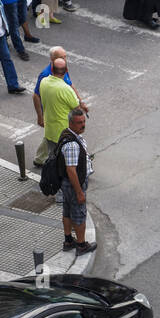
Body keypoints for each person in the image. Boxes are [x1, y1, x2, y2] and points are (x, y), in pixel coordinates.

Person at [58, 108, 96, 253]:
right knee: (79, 214)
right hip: (74, 185)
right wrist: (79, 192)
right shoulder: (73, 144)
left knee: (67, 211)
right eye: (79, 122)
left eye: (84, 121)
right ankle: (81, 245)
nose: (83, 125)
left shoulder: (67, 134)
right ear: (71, 123)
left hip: (66, 184)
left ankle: (68, 241)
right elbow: (71, 170)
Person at [37, 56, 82, 168]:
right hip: (64, 132)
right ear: (66, 71)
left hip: (50, 129)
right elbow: (77, 109)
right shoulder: (66, 89)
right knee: (67, 162)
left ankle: (52, 178)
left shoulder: (43, 82)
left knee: (53, 158)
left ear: (51, 69)